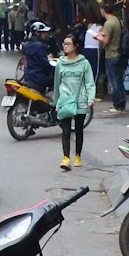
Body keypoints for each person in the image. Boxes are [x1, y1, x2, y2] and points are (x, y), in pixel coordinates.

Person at [53, 35, 97, 170]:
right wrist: (57, 103)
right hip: (65, 100)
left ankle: (78, 155)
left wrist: (91, 98)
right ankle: (66, 158)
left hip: (80, 100)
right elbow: (57, 84)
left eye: (68, 44)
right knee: (65, 130)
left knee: (78, 129)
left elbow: (89, 82)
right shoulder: (60, 63)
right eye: (64, 44)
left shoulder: (84, 63)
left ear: (76, 46)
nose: (65, 46)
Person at [99, 5, 129, 113]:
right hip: (119, 54)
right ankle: (122, 103)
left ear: (103, 10)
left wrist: (97, 37)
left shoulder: (108, 23)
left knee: (114, 81)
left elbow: (106, 41)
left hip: (112, 54)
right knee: (119, 80)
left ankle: (117, 105)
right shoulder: (117, 21)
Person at [20, 21, 56, 94]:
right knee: (56, 81)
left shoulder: (26, 45)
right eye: (44, 33)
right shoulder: (39, 46)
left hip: (28, 76)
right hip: (39, 78)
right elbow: (45, 64)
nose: (46, 35)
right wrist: (56, 68)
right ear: (37, 33)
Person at [82, 16, 104, 97]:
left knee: (86, 70)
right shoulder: (102, 28)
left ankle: (85, 91)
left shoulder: (90, 26)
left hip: (86, 49)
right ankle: (92, 92)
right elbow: (102, 41)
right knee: (95, 71)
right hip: (94, 50)